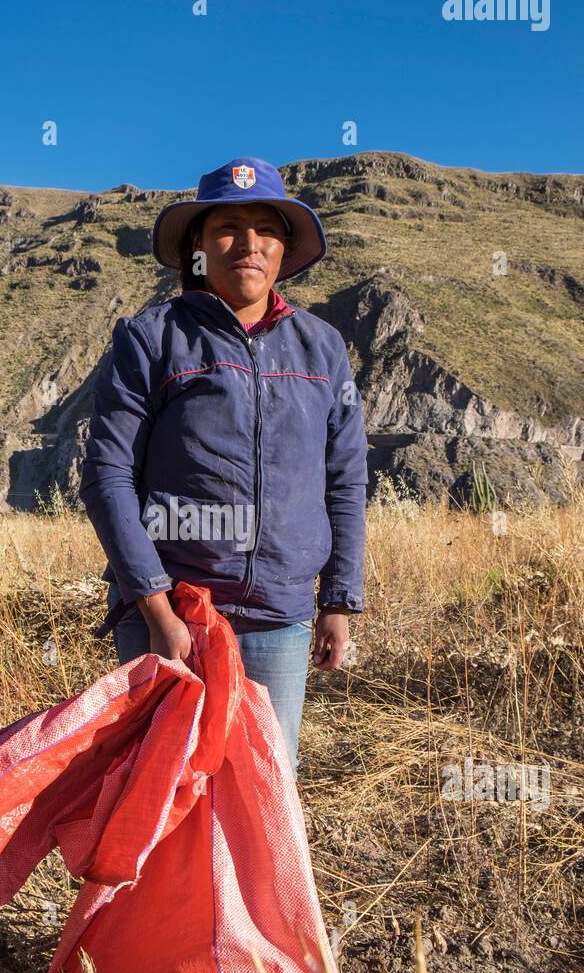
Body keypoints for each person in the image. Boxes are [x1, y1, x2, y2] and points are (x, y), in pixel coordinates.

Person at [79, 156, 368, 778]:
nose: (249, 244)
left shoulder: (323, 349)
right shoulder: (152, 339)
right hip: (174, 612)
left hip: (279, 620)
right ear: (198, 247)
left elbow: (345, 481)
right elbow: (107, 476)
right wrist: (156, 609)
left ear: (284, 247)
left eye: (266, 228)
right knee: (159, 794)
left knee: (259, 798)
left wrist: (338, 602)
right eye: (228, 228)